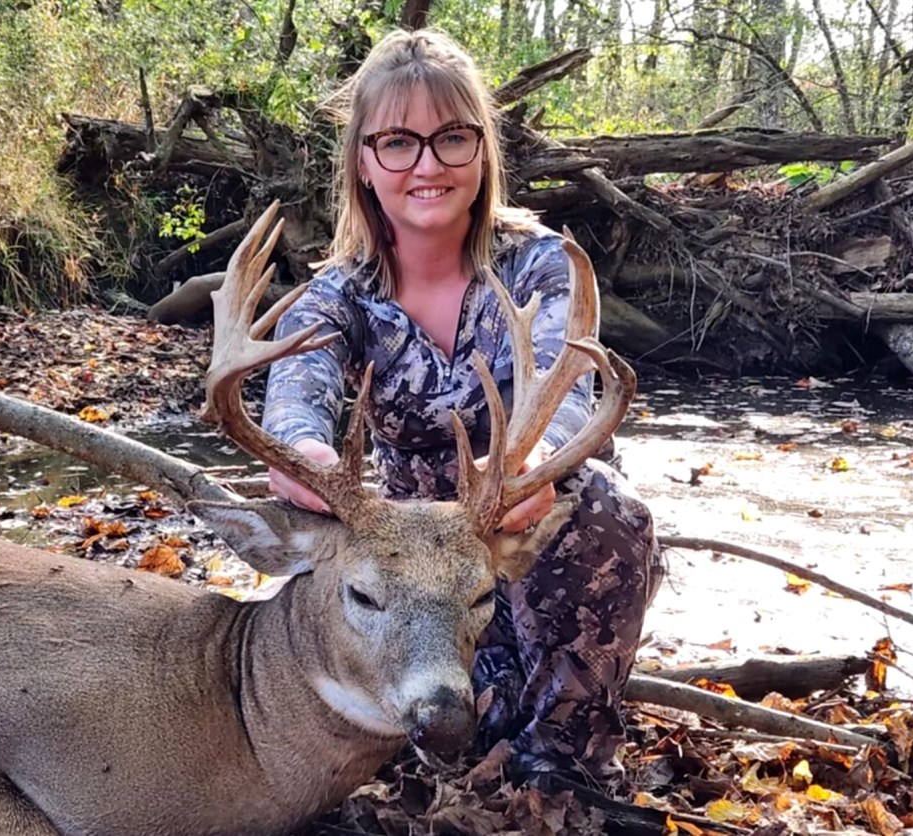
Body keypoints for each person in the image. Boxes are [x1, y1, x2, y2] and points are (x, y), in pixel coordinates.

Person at [261, 27, 662, 795]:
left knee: (610, 509)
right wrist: (304, 459)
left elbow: (568, 387)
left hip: (520, 532)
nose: (427, 166)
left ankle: (566, 768)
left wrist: (528, 464)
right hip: (409, 557)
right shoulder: (337, 294)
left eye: (451, 138)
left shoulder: (542, 263)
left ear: (482, 150)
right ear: (363, 161)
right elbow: (295, 393)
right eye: (398, 143)